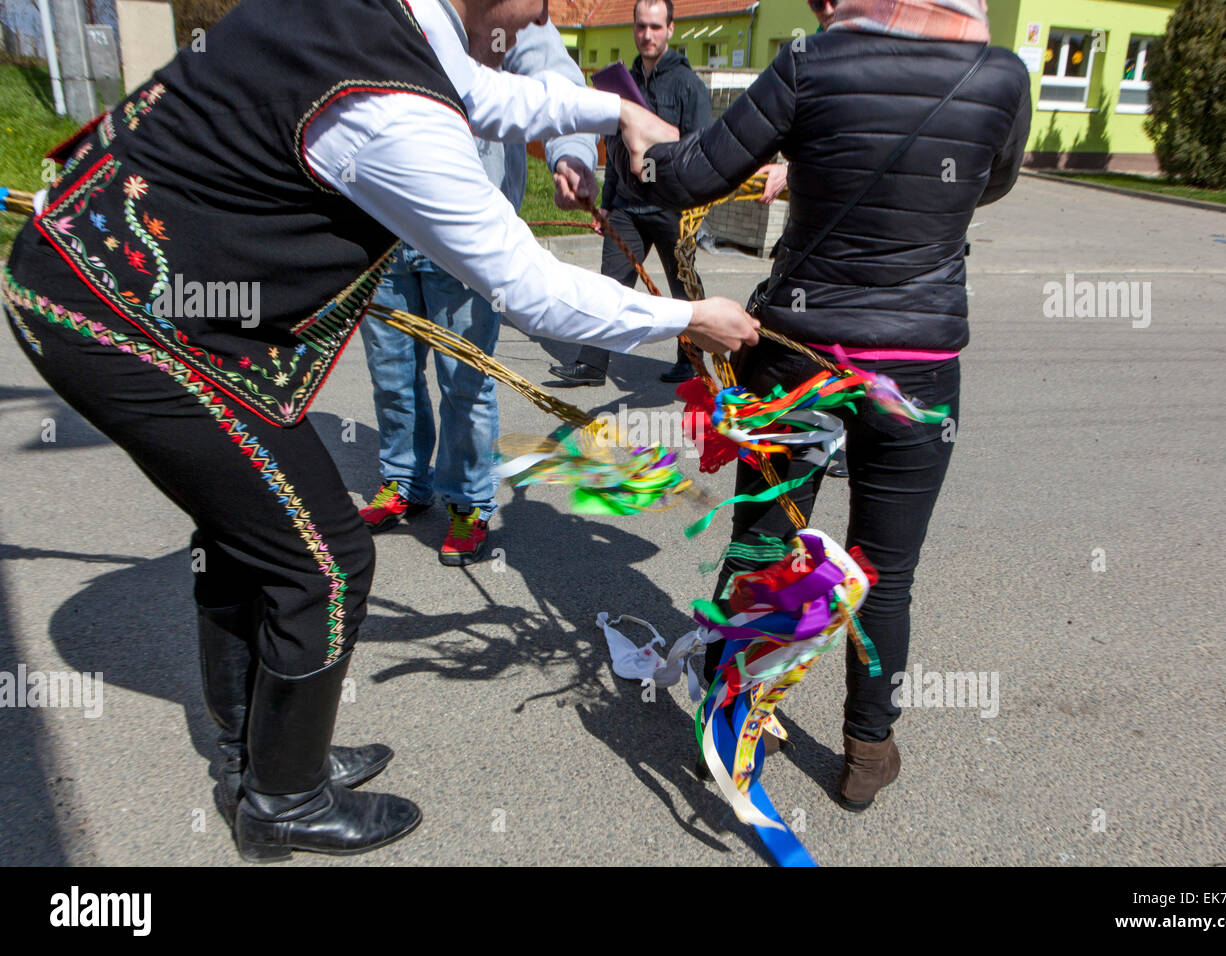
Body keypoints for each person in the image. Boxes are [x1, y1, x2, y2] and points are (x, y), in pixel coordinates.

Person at [1, 0, 758, 862]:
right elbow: (527, 287)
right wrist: (688, 316)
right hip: (120, 320)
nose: (546, 9)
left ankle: (262, 753)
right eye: (539, 0)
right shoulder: (394, 113)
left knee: (247, 537)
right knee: (322, 559)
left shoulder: (407, 18)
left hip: (118, 283)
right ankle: (282, 801)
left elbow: (484, 94)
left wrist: (612, 109)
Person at [612, 0, 1030, 811]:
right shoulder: (1000, 73)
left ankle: (731, 726)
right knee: (886, 573)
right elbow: (992, 181)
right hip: (919, 370)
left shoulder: (813, 61)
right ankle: (867, 752)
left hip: (797, 355)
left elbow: (697, 173)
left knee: (765, 539)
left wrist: (642, 152)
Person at [357, 19, 599, 569]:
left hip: (465, 228)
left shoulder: (498, 9)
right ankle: (405, 480)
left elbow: (554, 77)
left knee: (464, 379)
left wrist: (571, 153)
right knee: (391, 372)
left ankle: (468, 499)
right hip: (382, 226)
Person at [549, 0, 710, 388]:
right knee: (609, 286)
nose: (647, 35)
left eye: (655, 27)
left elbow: (702, 151)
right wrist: (604, 206)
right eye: (641, 27)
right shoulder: (621, 83)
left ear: (670, 29)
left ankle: (690, 361)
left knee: (682, 290)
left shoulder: (688, 85)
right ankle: (592, 365)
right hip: (627, 207)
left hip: (673, 208)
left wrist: (693, 210)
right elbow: (615, 147)